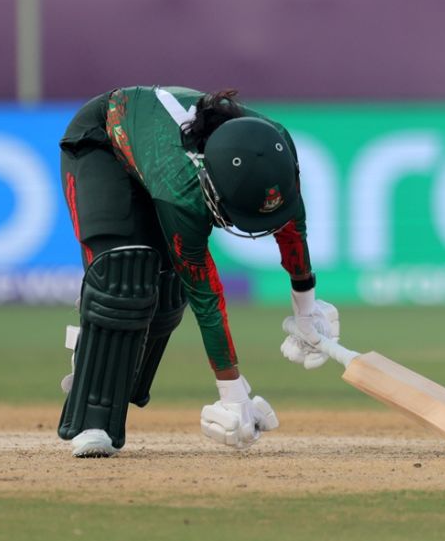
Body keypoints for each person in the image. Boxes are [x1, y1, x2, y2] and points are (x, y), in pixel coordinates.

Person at [56, 86, 340, 458]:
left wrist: (307, 310)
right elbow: (207, 297)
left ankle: (102, 363)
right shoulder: (183, 186)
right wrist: (233, 394)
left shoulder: (273, 150)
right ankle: (93, 422)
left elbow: (291, 229)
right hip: (103, 144)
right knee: (123, 276)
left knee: (166, 287)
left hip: (152, 146)